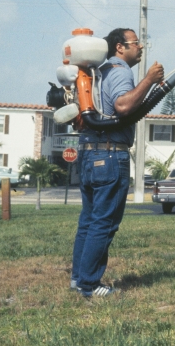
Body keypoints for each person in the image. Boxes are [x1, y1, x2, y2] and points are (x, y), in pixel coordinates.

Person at [70, 28, 164, 297]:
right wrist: (148, 80)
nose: (141, 47)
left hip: (89, 153)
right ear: (120, 48)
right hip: (110, 154)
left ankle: (78, 279)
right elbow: (123, 107)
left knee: (88, 221)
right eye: (136, 43)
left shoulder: (96, 72)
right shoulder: (120, 70)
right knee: (104, 222)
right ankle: (90, 284)